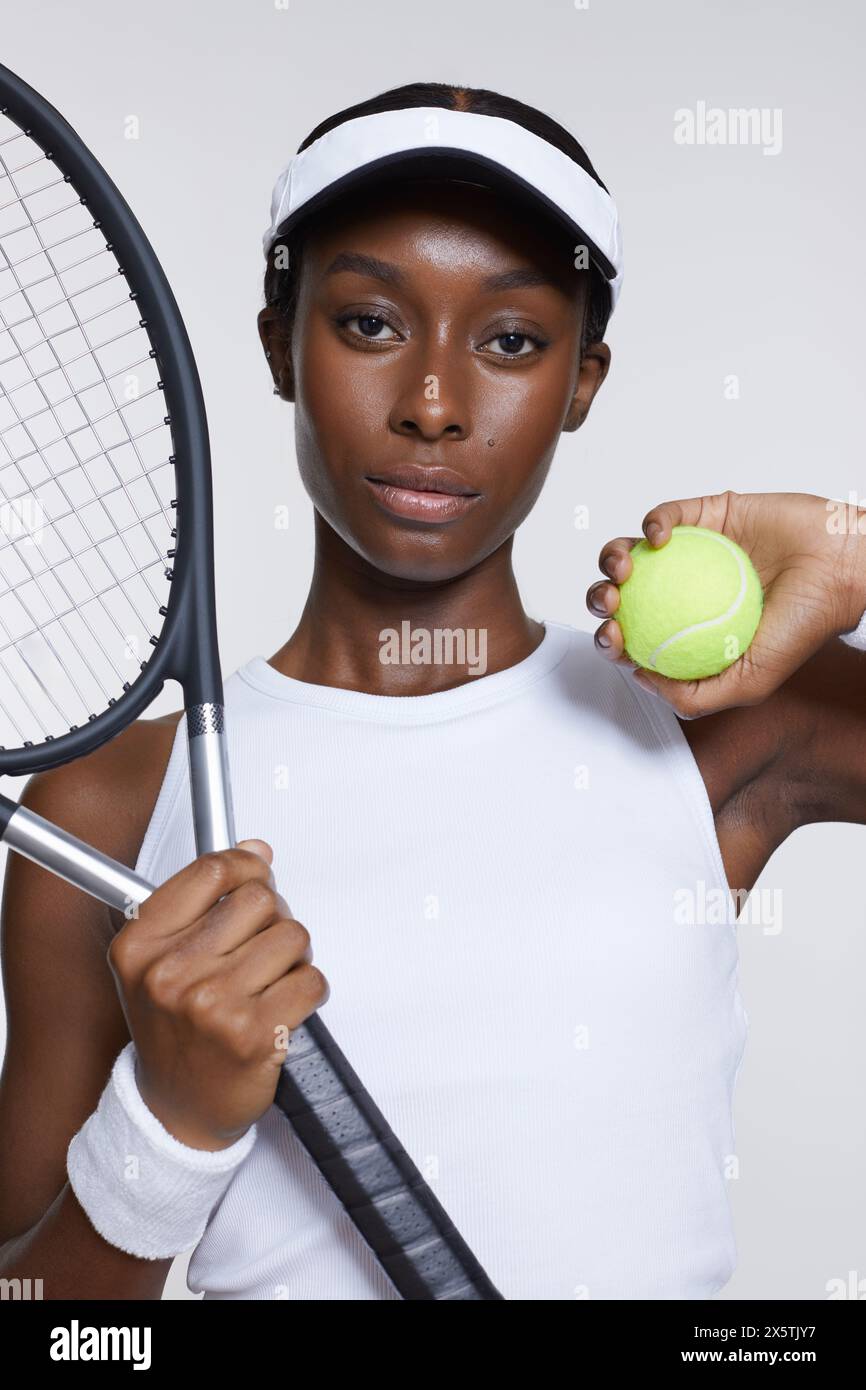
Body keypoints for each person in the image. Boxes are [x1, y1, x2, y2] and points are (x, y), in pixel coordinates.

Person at [0, 81, 864, 1301]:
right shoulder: (97, 806)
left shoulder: (722, 724)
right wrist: (162, 1130)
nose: (432, 405)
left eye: (510, 340)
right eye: (366, 323)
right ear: (277, 345)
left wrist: (854, 549)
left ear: (582, 381)